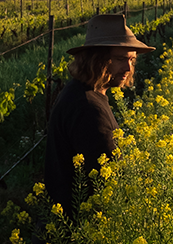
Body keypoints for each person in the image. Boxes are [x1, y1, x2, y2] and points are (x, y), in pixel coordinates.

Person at [43, 13, 155, 214]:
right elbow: (109, 178)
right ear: (97, 59)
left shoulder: (81, 92)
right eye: (120, 59)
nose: (128, 68)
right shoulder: (88, 107)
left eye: (132, 60)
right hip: (80, 224)